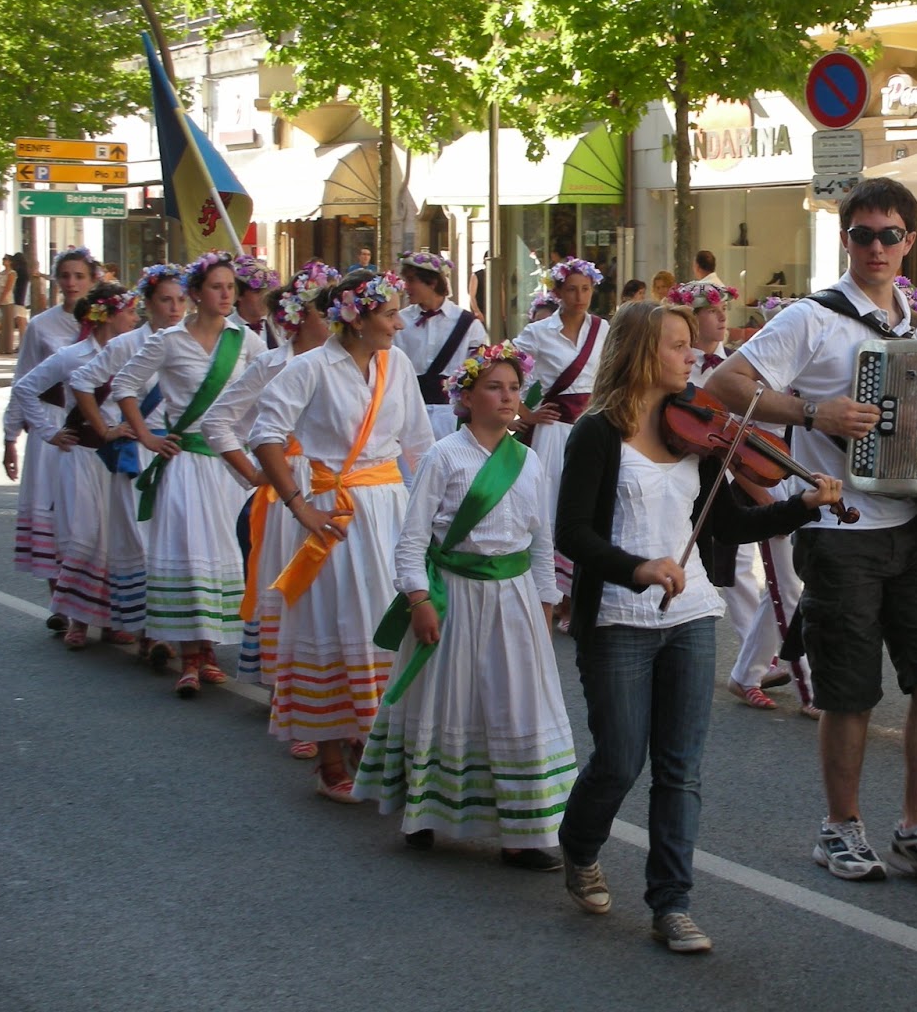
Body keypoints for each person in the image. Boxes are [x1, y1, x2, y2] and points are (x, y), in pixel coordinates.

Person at [706, 176, 917, 890]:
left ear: (910, 242)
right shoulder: (815, 317)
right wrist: (811, 414)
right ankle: (840, 828)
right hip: (838, 529)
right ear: (846, 240)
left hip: (914, 527)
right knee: (848, 691)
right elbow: (728, 385)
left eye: (890, 234)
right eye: (862, 234)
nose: (876, 247)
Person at [555, 301, 841, 953]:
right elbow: (571, 533)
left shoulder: (699, 431)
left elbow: (731, 524)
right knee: (619, 760)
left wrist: (800, 504)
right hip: (618, 618)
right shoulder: (597, 432)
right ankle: (579, 845)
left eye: (691, 345)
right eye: (679, 346)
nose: (693, 357)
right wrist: (639, 568)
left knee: (680, 769)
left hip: (689, 618)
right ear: (640, 354)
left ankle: (672, 905)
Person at [354, 342, 573, 867]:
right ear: (466, 396)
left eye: (514, 388)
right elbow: (411, 541)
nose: (506, 397)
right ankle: (426, 811)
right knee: (444, 700)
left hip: (515, 598)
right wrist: (419, 598)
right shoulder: (443, 456)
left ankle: (523, 830)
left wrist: (546, 601)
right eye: (494, 387)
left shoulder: (530, 461)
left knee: (514, 703)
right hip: (454, 596)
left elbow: (541, 541)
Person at [249, 271, 434, 800]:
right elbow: (264, 435)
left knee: (382, 620)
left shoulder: (395, 363)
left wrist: (428, 519)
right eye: (389, 314)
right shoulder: (309, 368)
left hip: (389, 509)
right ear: (355, 317)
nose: (399, 324)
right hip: (334, 515)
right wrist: (298, 504)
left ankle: (369, 737)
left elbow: (418, 444)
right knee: (335, 621)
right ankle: (330, 752)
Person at [112, 251, 266, 696]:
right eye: (216, 287)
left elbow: (272, 386)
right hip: (183, 464)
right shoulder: (169, 340)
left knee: (225, 553)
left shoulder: (246, 341)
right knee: (187, 552)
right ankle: (189, 658)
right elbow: (124, 386)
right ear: (195, 294)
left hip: (228, 466)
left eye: (231, 288)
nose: (225, 295)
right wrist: (146, 437)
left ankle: (210, 652)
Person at [204, 263, 338, 721]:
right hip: (291, 486)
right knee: (292, 586)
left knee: (334, 590)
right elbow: (218, 421)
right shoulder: (272, 364)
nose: (336, 317)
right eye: (325, 310)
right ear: (299, 317)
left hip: (342, 487)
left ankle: (331, 693)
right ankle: (293, 695)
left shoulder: (355, 364)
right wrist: (255, 472)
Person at [667, 279, 790, 709]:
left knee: (738, 563)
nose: (722, 318)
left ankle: (753, 657)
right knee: (728, 564)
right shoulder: (689, 368)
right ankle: (749, 656)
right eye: (712, 310)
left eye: (723, 310)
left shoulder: (729, 364)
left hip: (726, 469)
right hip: (693, 471)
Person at [12, 283, 142, 648]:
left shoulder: (137, 353)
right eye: (129, 312)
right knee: (83, 536)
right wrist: (49, 432)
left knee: (114, 537)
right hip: (83, 456)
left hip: (119, 459)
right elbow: (26, 388)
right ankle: (78, 619)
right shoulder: (74, 356)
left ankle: (114, 616)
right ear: (108, 315)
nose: (135, 318)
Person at [70, 264, 190, 654]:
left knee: (169, 542)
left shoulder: (191, 341)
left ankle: (164, 627)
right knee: (139, 541)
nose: (174, 308)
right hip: (136, 454)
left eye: (181, 300)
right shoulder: (126, 344)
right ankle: (146, 630)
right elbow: (82, 382)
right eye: (165, 300)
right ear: (148, 304)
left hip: (176, 452)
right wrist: (107, 430)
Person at [513, 258, 609, 629]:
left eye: (586, 288)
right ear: (557, 293)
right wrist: (526, 413)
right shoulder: (539, 332)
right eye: (571, 289)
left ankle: (577, 600)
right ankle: (549, 599)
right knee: (552, 508)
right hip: (554, 432)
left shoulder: (603, 329)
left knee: (589, 506)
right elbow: (506, 364)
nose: (580, 296)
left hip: (594, 427)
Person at [2, 248, 97, 605]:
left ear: (92, 280)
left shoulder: (111, 323)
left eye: (79, 276)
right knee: (53, 506)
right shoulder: (42, 325)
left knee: (89, 512)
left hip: (93, 427)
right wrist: (11, 436)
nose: (72, 283)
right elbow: (23, 379)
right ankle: (59, 597)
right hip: (52, 426)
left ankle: (93, 602)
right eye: (66, 276)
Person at [395, 250, 488, 441]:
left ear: (432, 282)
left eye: (412, 280)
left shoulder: (468, 324)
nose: (406, 287)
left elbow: (479, 373)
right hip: (408, 415)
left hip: (450, 417)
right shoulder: (399, 321)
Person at [230, 254, 282, 348]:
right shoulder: (226, 328)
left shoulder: (278, 327)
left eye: (267, 291)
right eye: (257, 292)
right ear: (238, 294)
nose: (264, 297)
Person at [0, 255, 19, 355]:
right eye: (3, 259)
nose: (4, 261)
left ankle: (8, 347)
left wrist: (1, 299)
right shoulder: (0, 273)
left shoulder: (12, 273)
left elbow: (8, 287)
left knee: (8, 325)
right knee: (0, 324)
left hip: (7, 300)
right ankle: (1, 347)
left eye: (6, 259)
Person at [11, 252, 32, 345]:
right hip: (22, 297)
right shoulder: (25, 270)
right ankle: (23, 342)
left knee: (21, 323)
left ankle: (23, 343)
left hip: (18, 297)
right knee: (22, 322)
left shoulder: (19, 271)